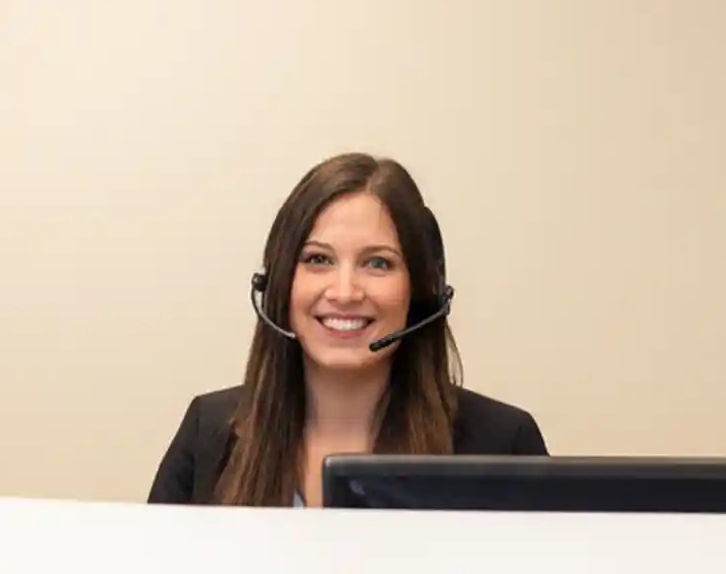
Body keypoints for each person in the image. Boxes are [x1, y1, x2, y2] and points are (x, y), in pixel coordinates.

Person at [147, 153, 546, 507]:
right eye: (318, 259)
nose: (344, 292)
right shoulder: (208, 432)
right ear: (279, 283)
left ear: (423, 290)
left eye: (377, 263)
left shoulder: (503, 444)